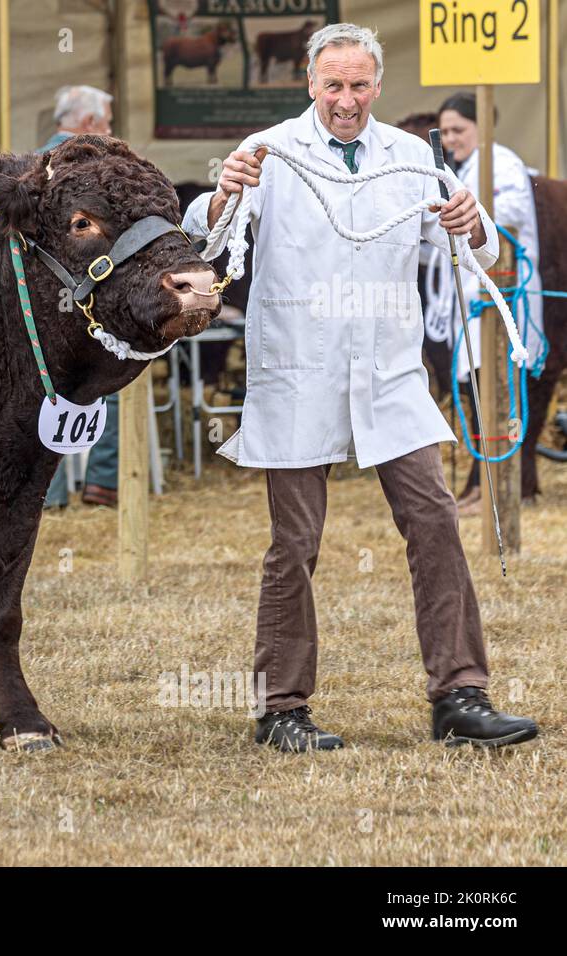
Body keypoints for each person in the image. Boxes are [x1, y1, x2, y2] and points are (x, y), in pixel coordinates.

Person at [182, 23, 538, 751]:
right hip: (298, 372)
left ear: (377, 86)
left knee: (435, 522)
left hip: (389, 375)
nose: (347, 100)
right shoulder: (269, 153)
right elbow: (207, 247)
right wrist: (222, 197)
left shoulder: (413, 157)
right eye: (334, 85)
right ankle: (282, 709)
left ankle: (461, 697)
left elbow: (479, 255)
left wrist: (472, 227)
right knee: (296, 543)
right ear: (310, 83)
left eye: (360, 85)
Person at [423, 91, 542, 513]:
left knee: (495, 392)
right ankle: (480, 481)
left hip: (500, 297)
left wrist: (473, 214)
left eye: (460, 129)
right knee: (473, 393)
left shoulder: (501, 163)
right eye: (446, 131)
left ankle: (495, 487)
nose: (451, 139)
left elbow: (509, 216)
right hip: (471, 301)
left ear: (482, 127)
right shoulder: (462, 170)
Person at [41, 85, 121, 509]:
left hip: (36, 307)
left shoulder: (30, 166)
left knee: (41, 390)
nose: (110, 130)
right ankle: (102, 483)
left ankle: (47, 492)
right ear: (90, 124)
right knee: (107, 384)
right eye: (107, 122)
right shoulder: (103, 170)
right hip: (92, 304)